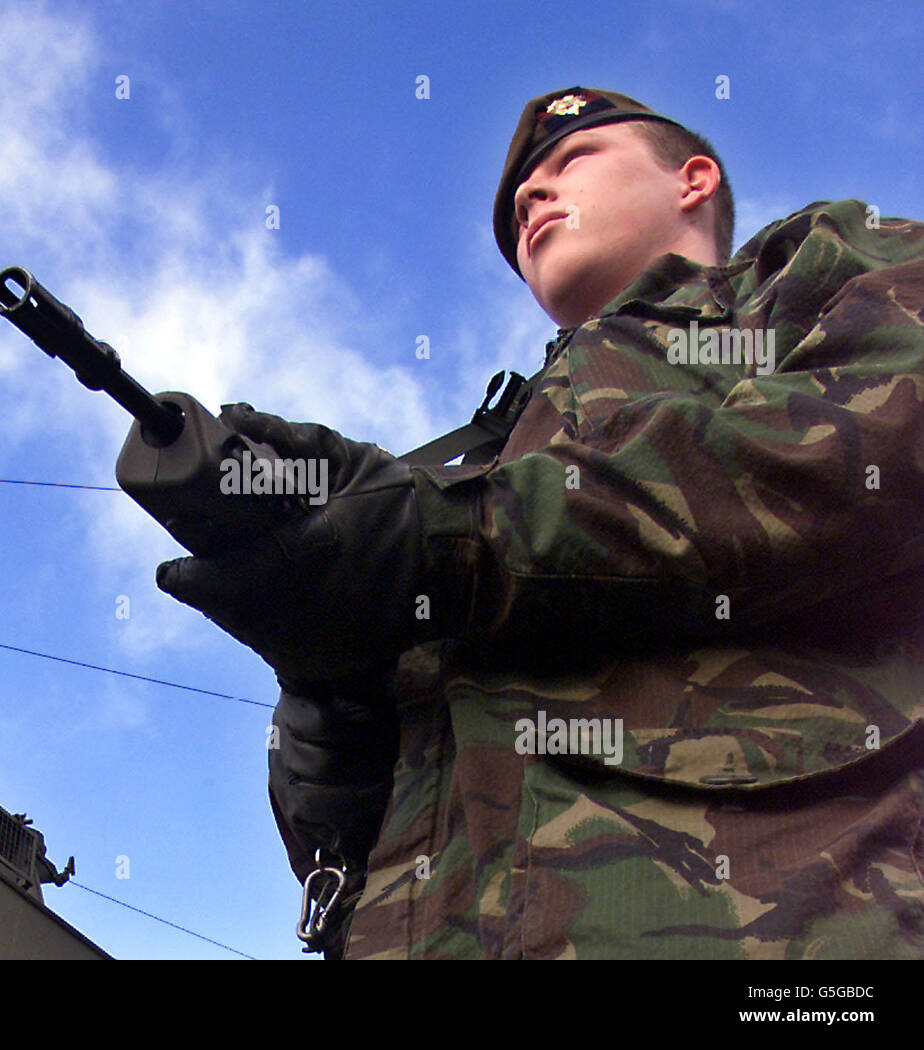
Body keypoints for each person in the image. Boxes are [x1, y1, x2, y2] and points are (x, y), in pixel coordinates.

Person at [156, 87, 924, 959]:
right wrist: (327, 673)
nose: (531, 198)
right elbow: (349, 844)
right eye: (523, 195)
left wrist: (451, 541)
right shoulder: (480, 460)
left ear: (693, 180)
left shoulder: (819, 268)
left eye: (571, 163)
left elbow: (861, 450)